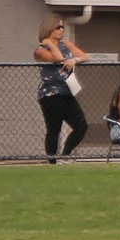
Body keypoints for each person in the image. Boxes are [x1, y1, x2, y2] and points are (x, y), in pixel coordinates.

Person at [33, 15, 89, 162]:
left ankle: (65, 156)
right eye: (58, 27)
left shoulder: (66, 44)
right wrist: (50, 44)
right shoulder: (40, 50)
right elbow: (57, 58)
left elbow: (85, 57)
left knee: (81, 125)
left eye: (63, 27)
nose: (62, 30)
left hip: (67, 92)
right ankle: (52, 162)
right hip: (50, 94)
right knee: (54, 129)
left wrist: (74, 60)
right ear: (49, 29)